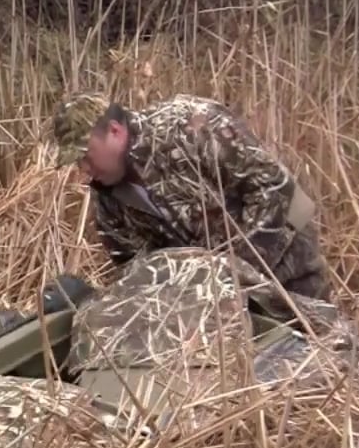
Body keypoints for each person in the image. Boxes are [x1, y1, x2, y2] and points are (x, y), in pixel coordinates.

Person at [49, 92, 333, 302]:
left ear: (114, 130)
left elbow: (276, 188)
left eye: (85, 156)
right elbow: (140, 275)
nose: (84, 169)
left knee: (322, 356)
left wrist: (233, 275)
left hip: (289, 267)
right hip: (225, 307)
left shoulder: (190, 125)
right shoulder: (109, 205)